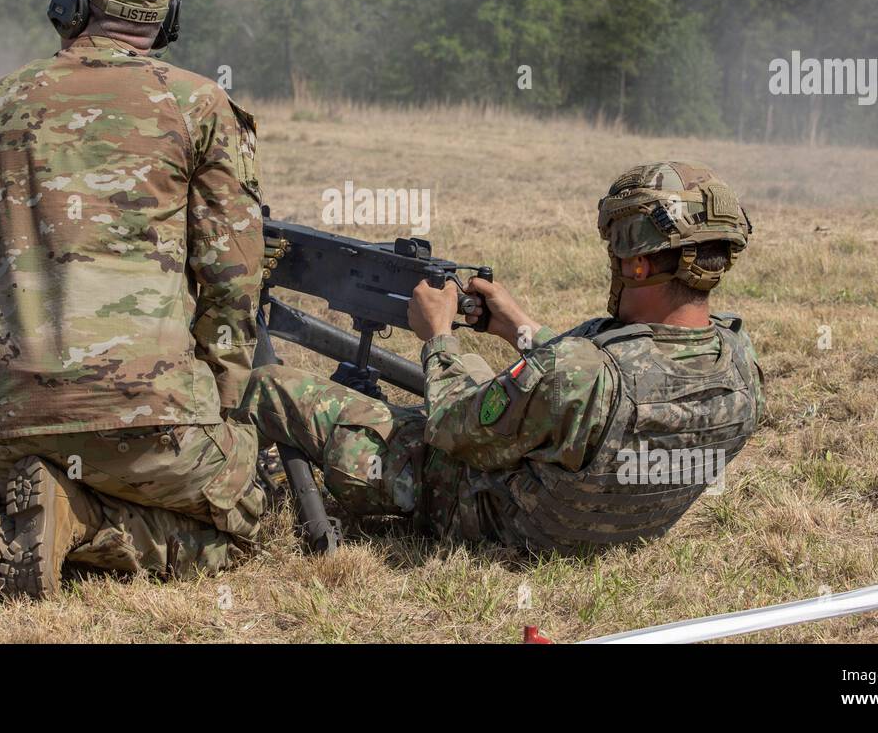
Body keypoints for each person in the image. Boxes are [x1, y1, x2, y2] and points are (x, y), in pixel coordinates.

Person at [0, 0, 266, 598]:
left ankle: (30, 510)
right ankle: (79, 526)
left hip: (8, 427)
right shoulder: (201, 105)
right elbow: (233, 283)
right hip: (151, 424)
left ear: (71, 2)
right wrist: (224, 410)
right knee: (240, 522)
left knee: (69, 465)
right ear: (166, 20)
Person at [236, 162, 763, 555]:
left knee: (273, 386)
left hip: (482, 514)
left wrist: (438, 336)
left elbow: (448, 426)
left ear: (641, 264)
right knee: (482, 379)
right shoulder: (740, 364)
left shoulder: (576, 373)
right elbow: (588, 384)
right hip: (598, 525)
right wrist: (520, 329)